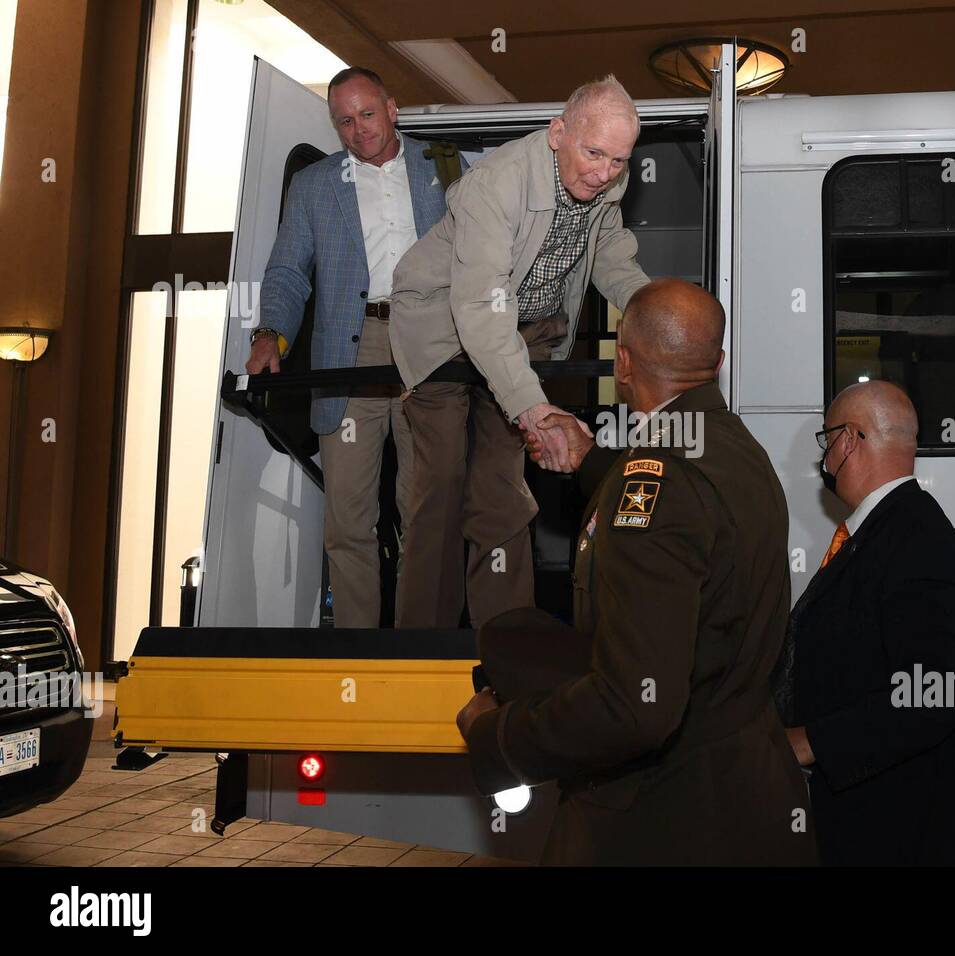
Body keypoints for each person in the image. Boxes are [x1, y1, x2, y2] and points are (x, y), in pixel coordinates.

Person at [455, 279, 816, 866]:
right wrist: (589, 460)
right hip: (747, 794)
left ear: (623, 363)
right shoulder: (739, 451)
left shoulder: (656, 480)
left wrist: (497, 738)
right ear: (717, 362)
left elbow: (635, 709)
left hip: (662, 818)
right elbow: (688, 520)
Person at [388, 76, 651, 629]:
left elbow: (612, 258)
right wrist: (535, 410)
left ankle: (507, 645)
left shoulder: (606, 186)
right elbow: (481, 309)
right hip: (443, 331)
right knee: (440, 489)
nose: (604, 172)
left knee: (503, 496)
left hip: (520, 334)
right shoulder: (495, 184)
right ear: (558, 133)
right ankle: (421, 649)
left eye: (619, 160)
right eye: (594, 152)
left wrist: (662, 316)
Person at [773, 381, 955, 865]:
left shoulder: (920, 544)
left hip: (908, 835)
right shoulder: (891, 533)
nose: (825, 456)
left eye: (825, 440)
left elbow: (940, 690)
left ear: (848, 439)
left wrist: (809, 742)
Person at [245, 67, 448, 628]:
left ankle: (417, 648)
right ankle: (356, 651)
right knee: (347, 520)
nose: (359, 131)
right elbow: (288, 271)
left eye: (368, 114)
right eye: (344, 121)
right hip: (347, 352)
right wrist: (269, 333)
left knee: (424, 513)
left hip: (428, 348)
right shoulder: (313, 186)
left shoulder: (446, 169)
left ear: (392, 108)